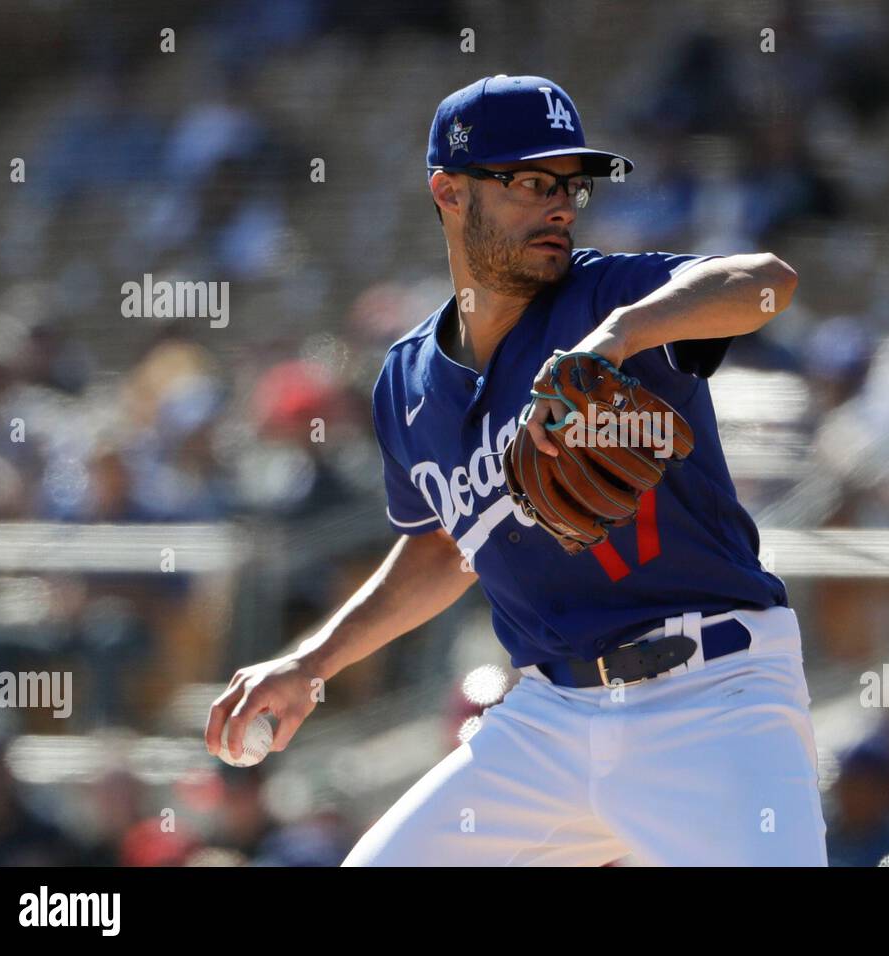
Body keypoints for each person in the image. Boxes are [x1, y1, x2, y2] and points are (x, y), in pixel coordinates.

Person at [206, 75, 825, 866]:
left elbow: (768, 281)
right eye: (533, 181)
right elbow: (440, 547)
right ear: (450, 192)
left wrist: (620, 338)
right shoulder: (407, 384)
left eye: (572, 184)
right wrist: (310, 662)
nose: (562, 204)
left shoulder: (607, 294)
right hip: (547, 723)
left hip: (713, 697)